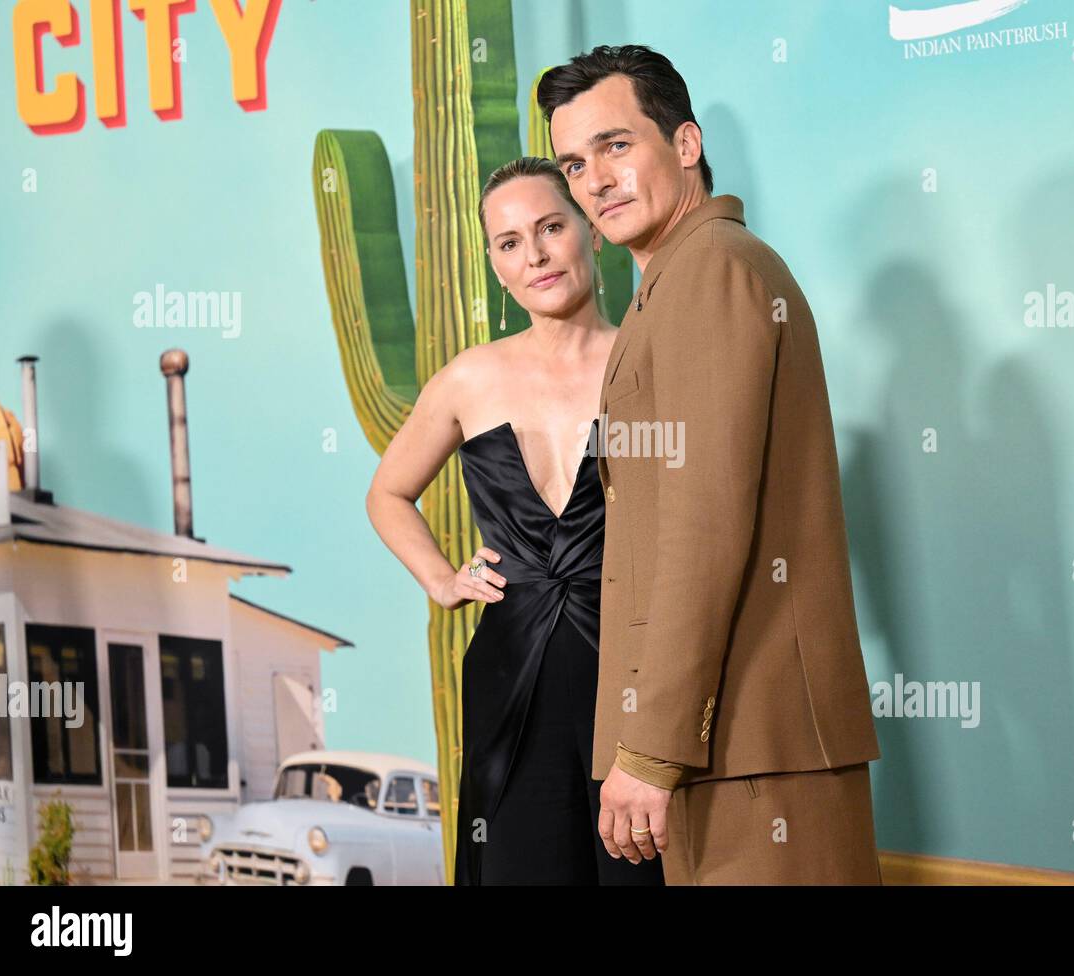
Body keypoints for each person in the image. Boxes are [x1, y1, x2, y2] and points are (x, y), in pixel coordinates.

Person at [537, 44, 884, 884]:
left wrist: (649, 749)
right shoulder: (680, 281)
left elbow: (705, 524)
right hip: (729, 744)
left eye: (617, 146)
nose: (595, 181)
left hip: (753, 744)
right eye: (575, 163)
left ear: (685, 144)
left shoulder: (711, 271)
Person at [365, 156, 663, 886]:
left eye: (550, 227)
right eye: (508, 243)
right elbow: (387, 493)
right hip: (509, 680)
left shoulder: (647, 362)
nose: (533, 255)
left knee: (640, 871)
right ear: (496, 268)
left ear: (590, 231)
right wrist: (440, 580)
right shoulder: (470, 377)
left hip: (631, 673)